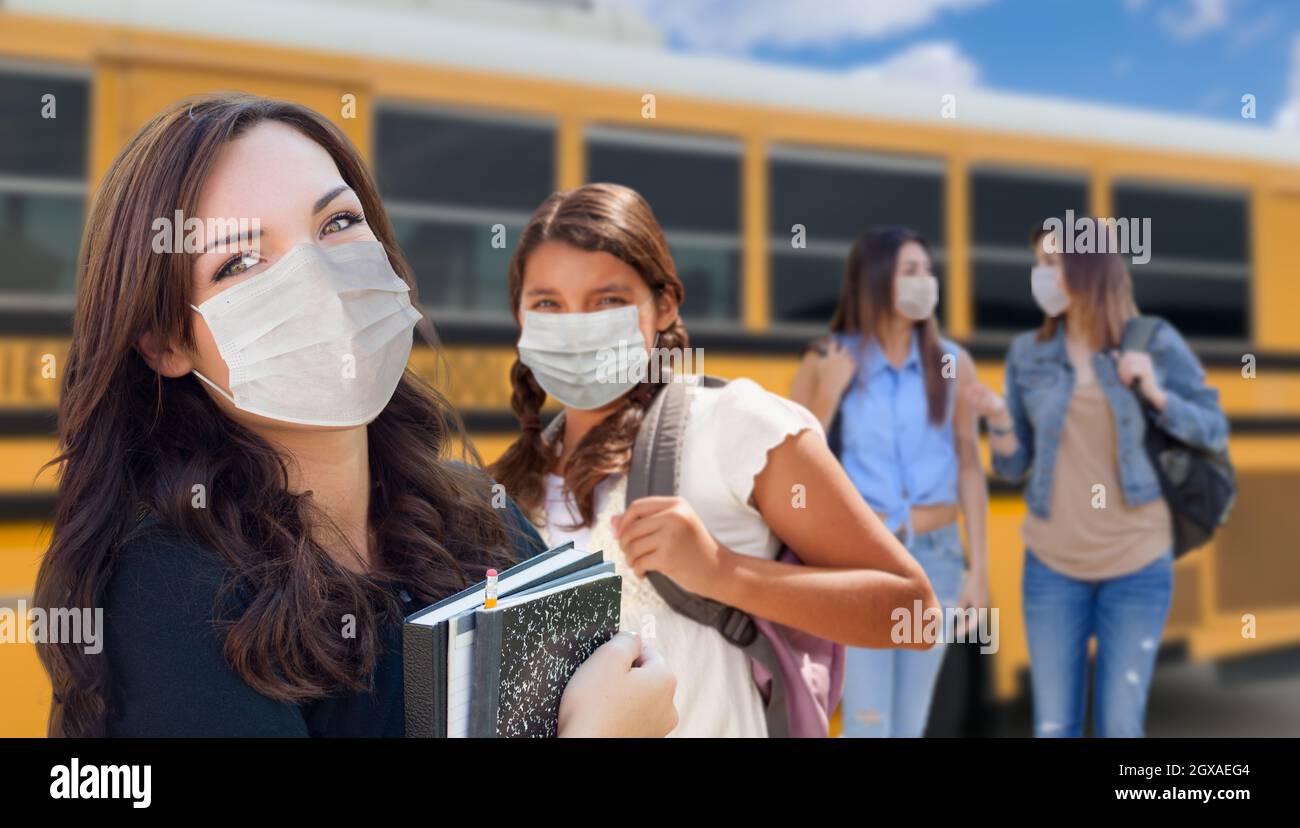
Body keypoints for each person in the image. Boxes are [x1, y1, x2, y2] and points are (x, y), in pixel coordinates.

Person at [33, 93, 677, 738]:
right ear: (167, 343)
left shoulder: (488, 521)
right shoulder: (164, 593)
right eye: (239, 262)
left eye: (338, 223)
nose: (319, 279)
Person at [490, 183, 938, 737]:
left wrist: (721, 572)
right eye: (548, 303)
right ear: (521, 318)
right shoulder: (508, 485)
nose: (576, 322)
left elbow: (913, 613)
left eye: (607, 300)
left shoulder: (737, 425)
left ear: (665, 305)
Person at [965, 233, 1229, 737]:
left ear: (1089, 269)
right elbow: (1014, 464)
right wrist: (999, 419)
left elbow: (1212, 428)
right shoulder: (1028, 353)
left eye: (1051, 263)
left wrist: (1154, 392)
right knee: (1053, 725)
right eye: (1037, 263)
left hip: (1137, 563)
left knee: (1120, 725)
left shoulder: (1153, 342)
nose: (1039, 276)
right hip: (1051, 566)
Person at [792, 227, 989, 738]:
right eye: (911, 271)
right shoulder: (826, 360)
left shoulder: (952, 363)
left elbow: (969, 465)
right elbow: (794, 459)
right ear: (877, 280)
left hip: (940, 558)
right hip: (865, 559)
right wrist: (831, 392)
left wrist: (980, 569)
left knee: (910, 725)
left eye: (928, 270)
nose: (927, 281)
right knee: (867, 722)